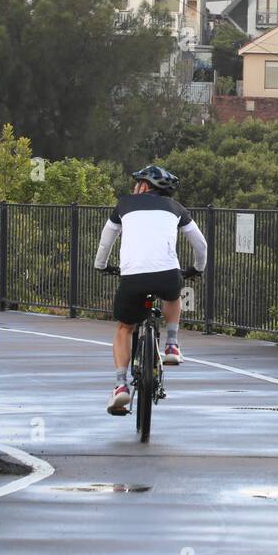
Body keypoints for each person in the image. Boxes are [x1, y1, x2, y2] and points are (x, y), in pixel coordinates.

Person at [94, 164, 206, 415]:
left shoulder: (124, 205)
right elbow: (200, 243)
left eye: (137, 184)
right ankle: (172, 345)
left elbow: (106, 241)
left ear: (144, 186)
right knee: (173, 294)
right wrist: (197, 269)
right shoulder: (177, 209)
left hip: (132, 277)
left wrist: (101, 265)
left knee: (125, 327)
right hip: (167, 274)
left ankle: (120, 385)